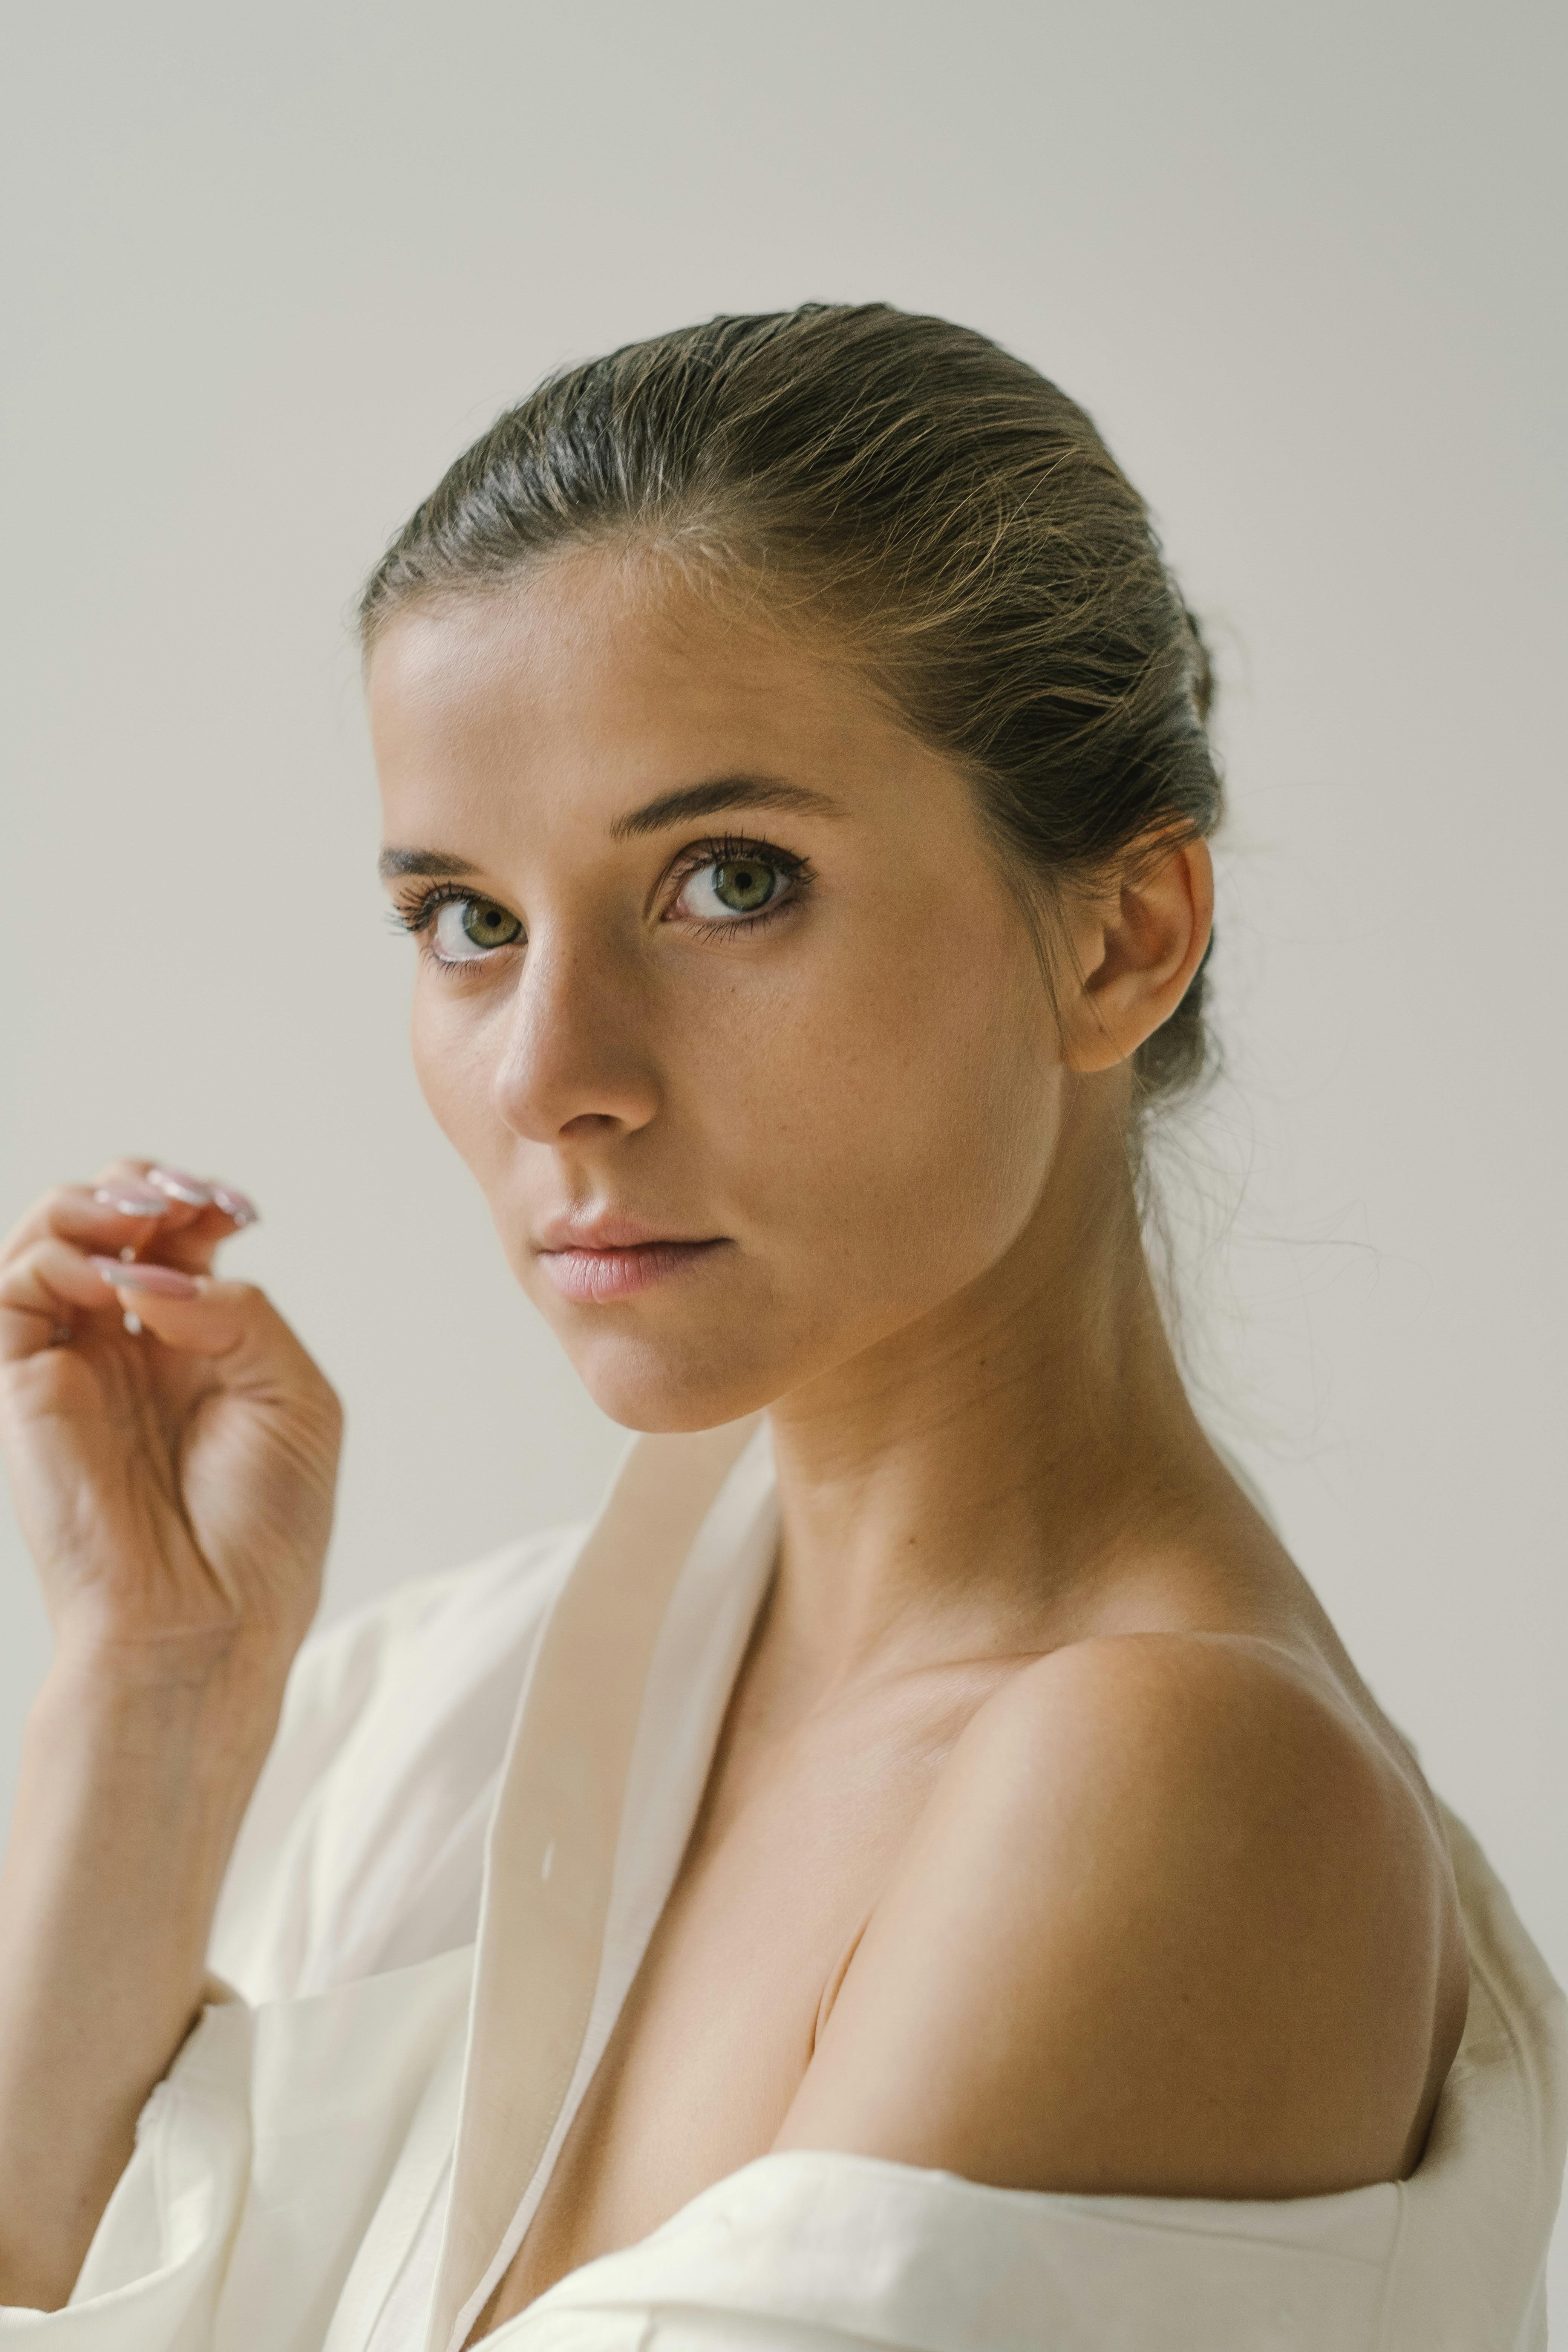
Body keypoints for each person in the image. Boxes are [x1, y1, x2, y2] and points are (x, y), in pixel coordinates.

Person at [0, 306, 1560, 2352]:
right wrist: (163, 1683)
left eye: (731, 880)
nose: (556, 1073)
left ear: (1122, 937)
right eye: (468, 921)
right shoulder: (441, 1708)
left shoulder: (1173, 1781)